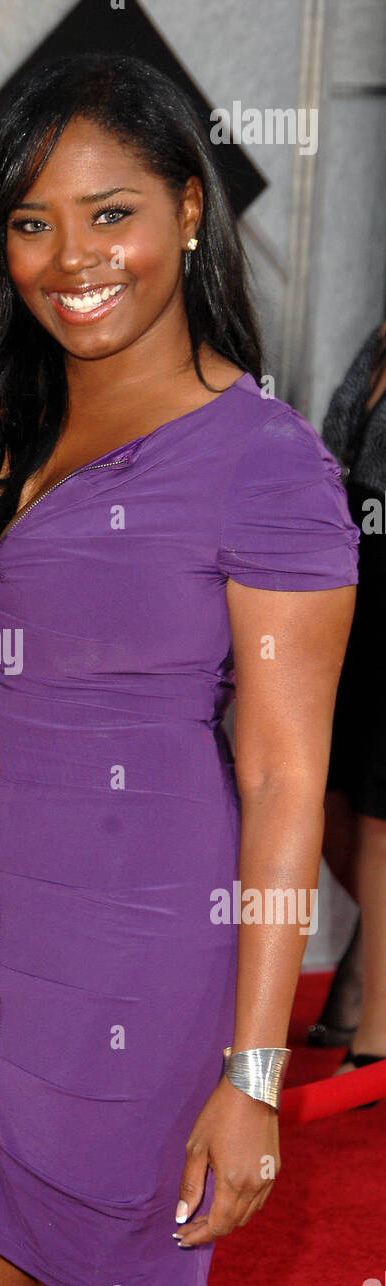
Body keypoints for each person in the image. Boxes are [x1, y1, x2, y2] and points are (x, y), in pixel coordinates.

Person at [0, 54, 359, 1286]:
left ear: (188, 212)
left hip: (139, 960)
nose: (69, 257)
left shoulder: (264, 464)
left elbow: (281, 776)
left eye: (111, 214)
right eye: (30, 222)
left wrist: (251, 1076)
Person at [314, 321, 386, 1073]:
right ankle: (367, 967)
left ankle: (376, 1036)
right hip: (353, 588)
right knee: (330, 804)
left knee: (376, 814)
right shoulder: (374, 336)